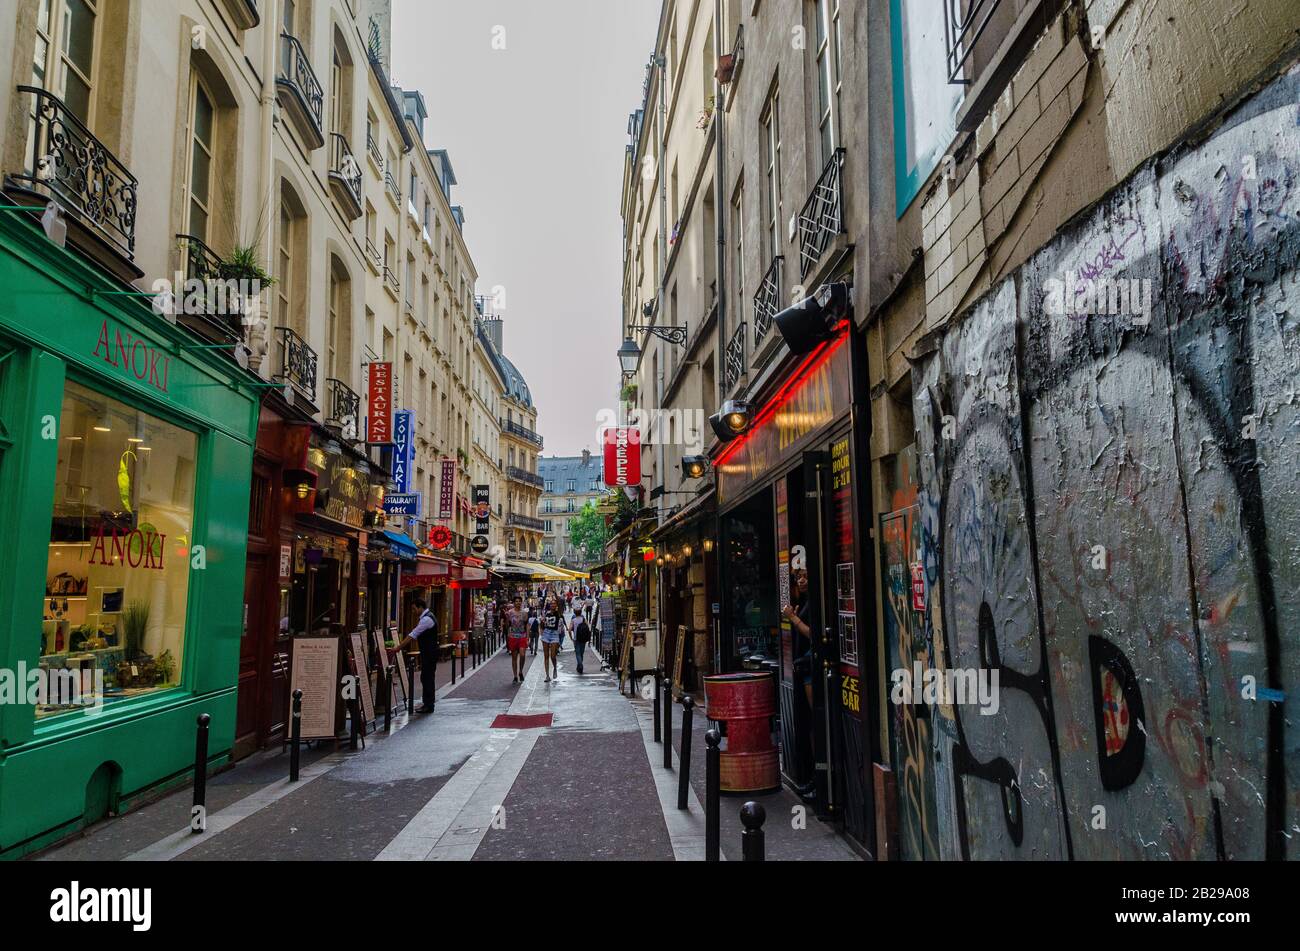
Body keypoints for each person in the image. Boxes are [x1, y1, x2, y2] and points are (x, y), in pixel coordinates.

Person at [395, 599, 438, 714]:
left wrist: (398, 647)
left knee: (427, 678)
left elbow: (412, 635)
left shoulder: (426, 620)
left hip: (429, 653)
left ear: (421, 608)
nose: (413, 611)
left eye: (414, 609)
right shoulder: (429, 617)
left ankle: (429, 705)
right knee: (426, 677)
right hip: (429, 653)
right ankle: (428, 703)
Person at [539, 599, 563, 682]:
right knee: (546, 656)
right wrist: (541, 622)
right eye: (551, 604)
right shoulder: (546, 613)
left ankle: (555, 668)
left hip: (554, 634)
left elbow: (560, 606)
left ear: (556, 605)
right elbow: (542, 625)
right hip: (546, 633)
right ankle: (547, 675)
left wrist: (555, 593)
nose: (553, 605)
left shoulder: (558, 613)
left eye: (554, 604)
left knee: (553, 655)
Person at [506, 597, 528, 684]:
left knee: (522, 654)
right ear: (514, 603)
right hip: (513, 636)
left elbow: (527, 625)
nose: (518, 603)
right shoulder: (510, 612)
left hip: (522, 636)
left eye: (519, 601)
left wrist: (528, 637)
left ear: (521, 603)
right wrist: (507, 618)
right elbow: (508, 625)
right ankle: (515, 676)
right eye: (516, 601)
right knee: (514, 657)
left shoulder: (524, 613)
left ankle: (521, 671)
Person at [570, 607, 592, 674]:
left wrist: (571, 638)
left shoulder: (573, 620)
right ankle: (579, 666)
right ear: (581, 613)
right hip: (583, 638)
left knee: (577, 653)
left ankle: (580, 665)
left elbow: (569, 629)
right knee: (581, 653)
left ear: (574, 613)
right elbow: (588, 628)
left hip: (576, 639)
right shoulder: (583, 619)